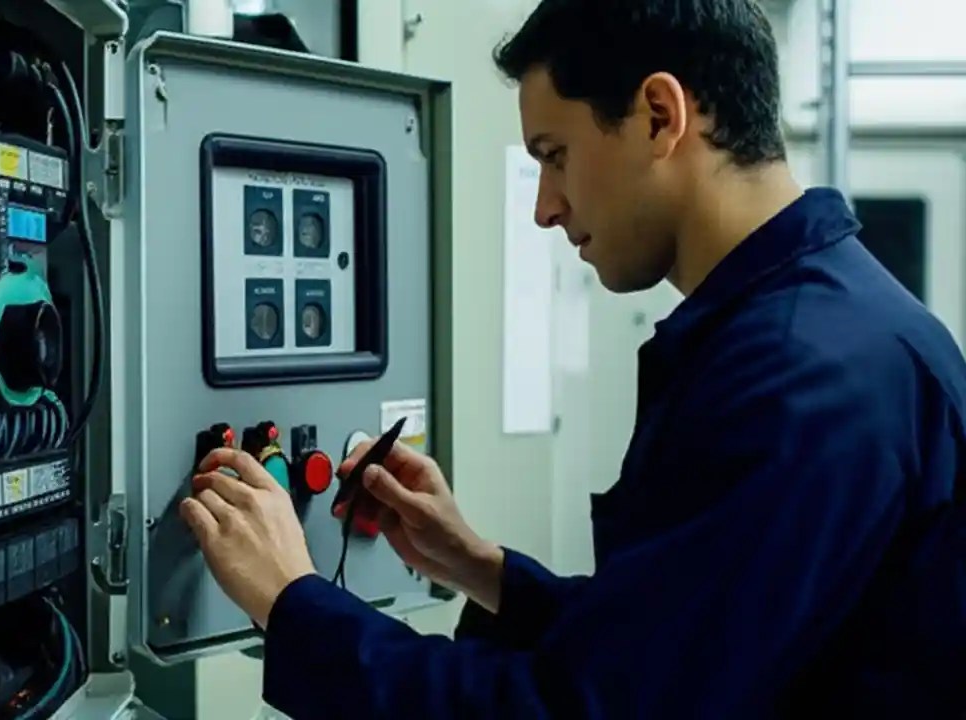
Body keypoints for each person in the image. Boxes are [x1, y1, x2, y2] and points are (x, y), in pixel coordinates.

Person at [180, 0, 966, 717]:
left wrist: (292, 599)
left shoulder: (800, 382)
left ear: (660, 116)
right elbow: (684, 649)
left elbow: (586, 710)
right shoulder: (834, 331)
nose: (544, 206)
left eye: (554, 155)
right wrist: (481, 568)